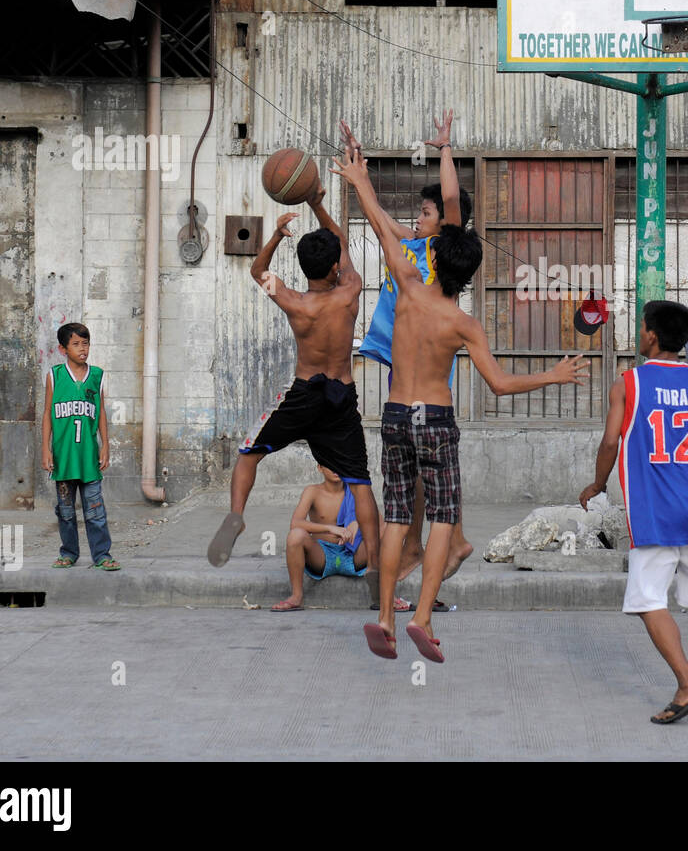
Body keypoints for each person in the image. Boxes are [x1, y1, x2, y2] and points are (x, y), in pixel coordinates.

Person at [335, 141, 588, 664]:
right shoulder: (463, 323)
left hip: (396, 416)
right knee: (444, 517)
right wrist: (554, 374)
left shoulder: (407, 287)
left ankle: (384, 617)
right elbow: (498, 385)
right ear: (468, 275)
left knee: (398, 517)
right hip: (437, 420)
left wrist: (360, 180)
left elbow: (383, 230)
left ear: (433, 258)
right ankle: (421, 618)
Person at [579, 300, 688, 723]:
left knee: (649, 599)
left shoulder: (627, 384)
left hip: (655, 515)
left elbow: (611, 442)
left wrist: (597, 484)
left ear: (650, 334)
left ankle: (687, 685)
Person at [207, 188, 380, 574]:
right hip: (341, 397)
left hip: (303, 395)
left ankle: (237, 514)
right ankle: (376, 563)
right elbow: (341, 241)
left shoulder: (295, 303)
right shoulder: (350, 291)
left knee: (250, 453)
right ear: (335, 266)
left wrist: (275, 236)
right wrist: (317, 203)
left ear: (303, 269)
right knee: (360, 481)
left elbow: (256, 272)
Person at [345, 113, 473, 607]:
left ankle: (434, 546)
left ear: (442, 222)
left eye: (426, 211)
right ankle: (434, 547)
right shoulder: (411, 243)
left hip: (425, 368)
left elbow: (453, 201)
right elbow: (377, 217)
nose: (419, 217)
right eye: (418, 211)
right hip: (398, 360)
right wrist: (361, 174)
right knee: (415, 466)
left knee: (424, 467)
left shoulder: (441, 251)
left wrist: (444, 150)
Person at [41, 322, 119, 571]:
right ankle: (69, 552)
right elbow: (47, 414)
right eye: (76, 344)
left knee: (95, 510)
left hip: (88, 455)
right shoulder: (54, 375)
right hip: (63, 456)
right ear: (63, 349)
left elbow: (102, 412)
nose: (82, 349)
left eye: (85, 343)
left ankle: (102, 555)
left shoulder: (96, 375)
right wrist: (46, 448)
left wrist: (105, 445)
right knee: (65, 511)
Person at [271, 464, 369, 612]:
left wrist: (358, 522)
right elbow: (296, 522)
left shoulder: (356, 490)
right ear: (320, 467)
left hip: (354, 553)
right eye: (330, 463)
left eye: (339, 461)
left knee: (386, 529)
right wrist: (329, 528)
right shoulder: (313, 491)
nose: (336, 468)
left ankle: (385, 597)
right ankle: (296, 596)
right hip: (322, 555)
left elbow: (377, 520)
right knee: (295, 535)